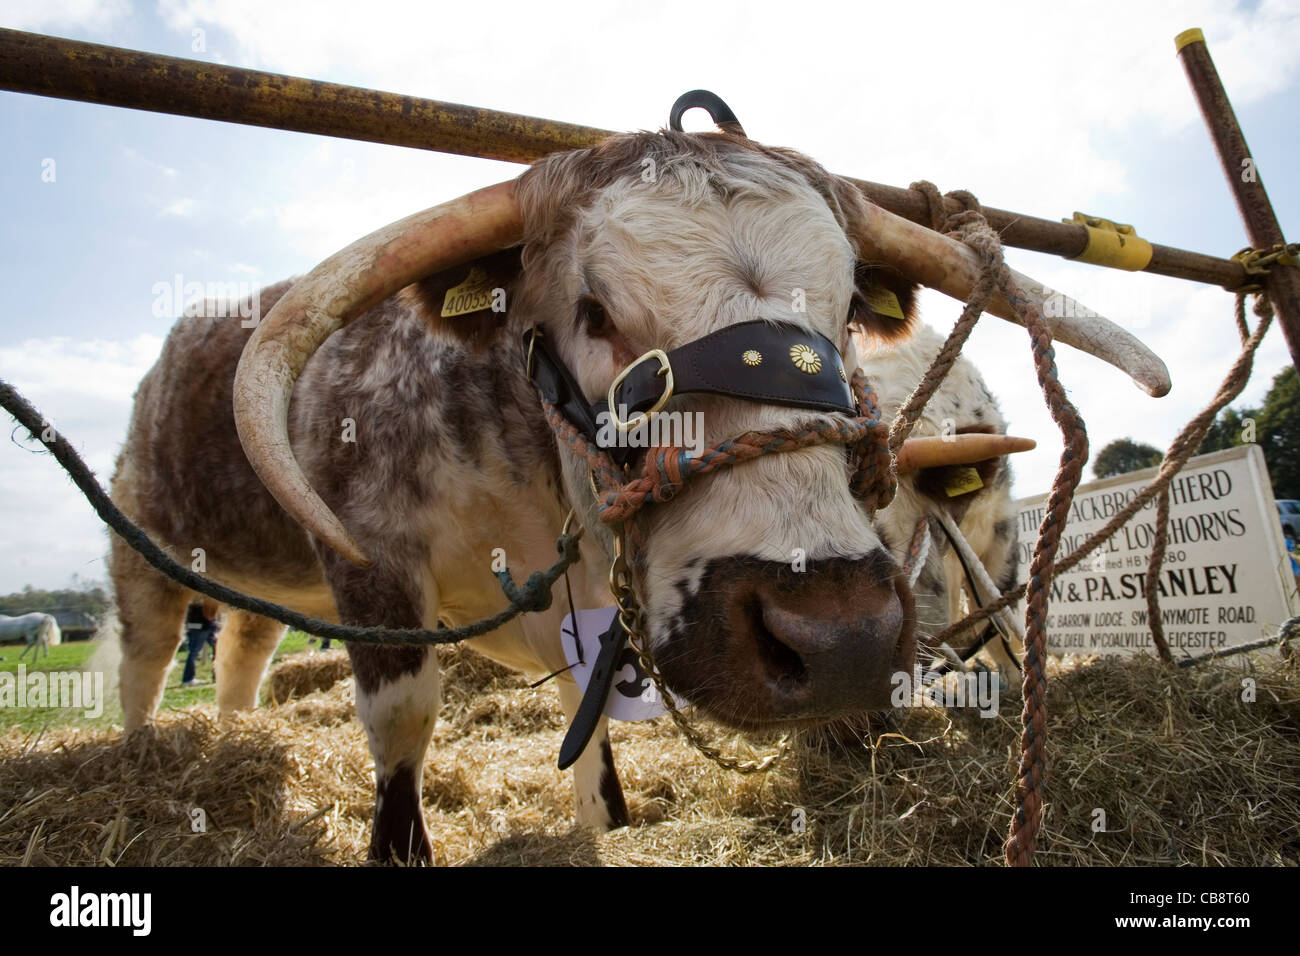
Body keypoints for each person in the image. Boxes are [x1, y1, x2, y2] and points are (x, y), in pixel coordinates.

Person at [182, 600, 219, 687]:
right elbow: (209, 614)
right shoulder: (199, 596)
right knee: (194, 652)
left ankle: (217, 676)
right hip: (201, 625)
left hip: (203, 625)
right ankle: (188, 679)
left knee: (218, 651)